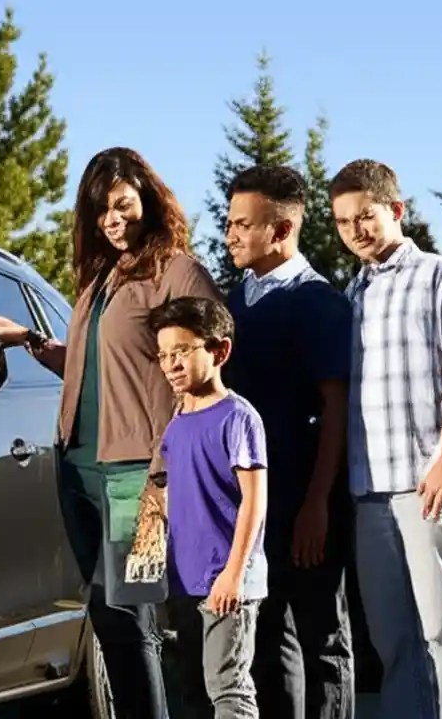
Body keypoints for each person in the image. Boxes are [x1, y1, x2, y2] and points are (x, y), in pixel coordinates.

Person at [0, 146, 220, 718]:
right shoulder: (102, 278)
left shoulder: (177, 272)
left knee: (130, 617)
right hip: (78, 473)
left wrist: (169, 467)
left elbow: (209, 372)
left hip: (140, 477)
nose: (112, 219)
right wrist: (29, 340)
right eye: (101, 210)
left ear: (148, 200)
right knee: (109, 621)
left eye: (123, 205)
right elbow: (91, 366)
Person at [330, 158, 442, 719]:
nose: (355, 229)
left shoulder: (441, 276)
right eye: (343, 220)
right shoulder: (351, 295)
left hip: (430, 483)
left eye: (366, 215)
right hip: (369, 491)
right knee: (394, 641)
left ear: (396, 210)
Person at [220, 165, 355, 718]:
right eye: (230, 222)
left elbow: (336, 409)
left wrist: (317, 504)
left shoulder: (319, 303)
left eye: (243, 224)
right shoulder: (234, 301)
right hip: (252, 507)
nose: (230, 234)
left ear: (281, 230)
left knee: (322, 638)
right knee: (267, 638)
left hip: (305, 501)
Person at [150, 295, 268, 719]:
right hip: (184, 582)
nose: (171, 365)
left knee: (228, 688)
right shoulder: (176, 423)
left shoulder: (238, 417)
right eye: (163, 355)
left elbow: (255, 499)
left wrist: (234, 575)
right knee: (193, 692)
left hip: (225, 583)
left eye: (181, 352)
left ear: (219, 351)